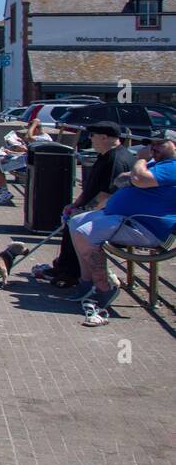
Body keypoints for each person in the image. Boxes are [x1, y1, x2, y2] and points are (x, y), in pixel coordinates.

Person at [69, 129, 176, 325]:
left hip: (144, 228)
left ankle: (104, 288)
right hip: (125, 220)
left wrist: (140, 162)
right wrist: (137, 176)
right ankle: (88, 282)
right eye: (151, 143)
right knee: (75, 222)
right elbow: (123, 179)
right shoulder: (157, 165)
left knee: (85, 234)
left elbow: (139, 178)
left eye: (160, 143)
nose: (154, 147)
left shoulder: (172, 166)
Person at [32, 121, 135, 289]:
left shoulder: (116, 160)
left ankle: (71, 273)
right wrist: (75, 204)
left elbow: (106, 195)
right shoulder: (104, 156)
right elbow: (91, 189)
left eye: (92, 135)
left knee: (78, 224)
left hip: (113, 215)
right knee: (72, 219)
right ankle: (65, 268)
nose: (90, 139)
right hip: (99, 210)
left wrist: (84, 211)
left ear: (104, 137)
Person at [0, 120, 48, 204]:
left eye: (30, 130)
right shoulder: (40, 138)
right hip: (26, 161)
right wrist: (13, 151)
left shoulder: (44, 138)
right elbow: (29, 151)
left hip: (28, 164)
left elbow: (28, 138)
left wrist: (34, 123)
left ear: (35, 129)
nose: (29, 132)